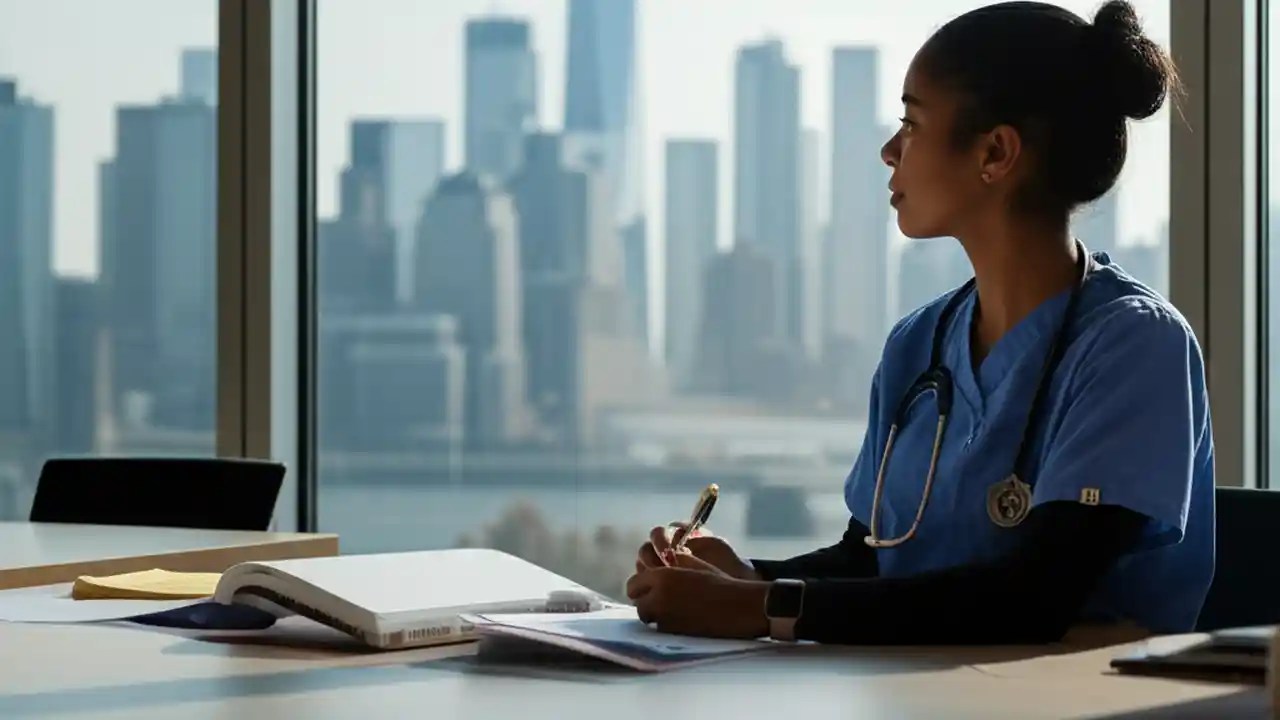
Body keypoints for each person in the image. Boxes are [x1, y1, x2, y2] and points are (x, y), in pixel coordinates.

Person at [627, 0, 1215, 645]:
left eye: (911, 123)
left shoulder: (1134, 346)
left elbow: (1036, 596)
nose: (888, 150)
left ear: (995, 151)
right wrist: (739, 577)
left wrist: (760, 605)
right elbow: (872, 560)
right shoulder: (919, 343)